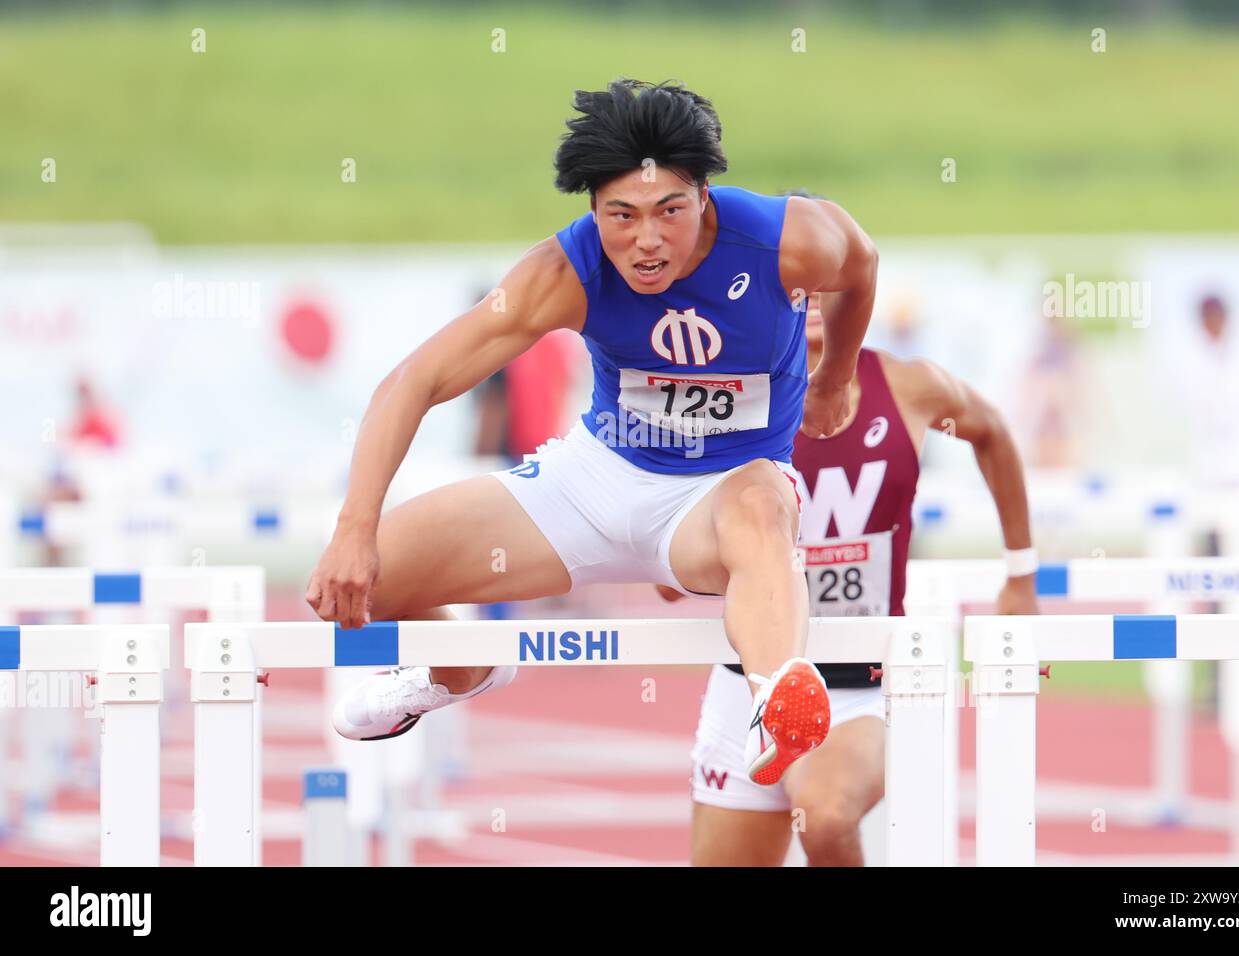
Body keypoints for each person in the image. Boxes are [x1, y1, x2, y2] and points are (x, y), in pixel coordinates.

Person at [307, 79, 880, 789]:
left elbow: (862, 267)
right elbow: (414, 380)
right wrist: (354, 527)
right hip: (593, 479)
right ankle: (462, 664)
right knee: (360, 579)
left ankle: (777, 702)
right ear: (592, 209)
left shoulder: (786, 241)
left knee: (764, 505)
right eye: (621, 216)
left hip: (721, 494)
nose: (645, 241)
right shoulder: (564, 272)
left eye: (669, 211)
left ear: (704, 195)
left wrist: (836, 377)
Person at [661, 288, 1039, 865]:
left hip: (862, 682)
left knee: (827, 815)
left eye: (826, 284)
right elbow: (671, 577)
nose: (811, 298)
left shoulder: (908, 387)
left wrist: (1020, 575)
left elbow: (990, 430)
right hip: (752, 684)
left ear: (855, 296)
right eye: (792, 284)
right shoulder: (725, 400)